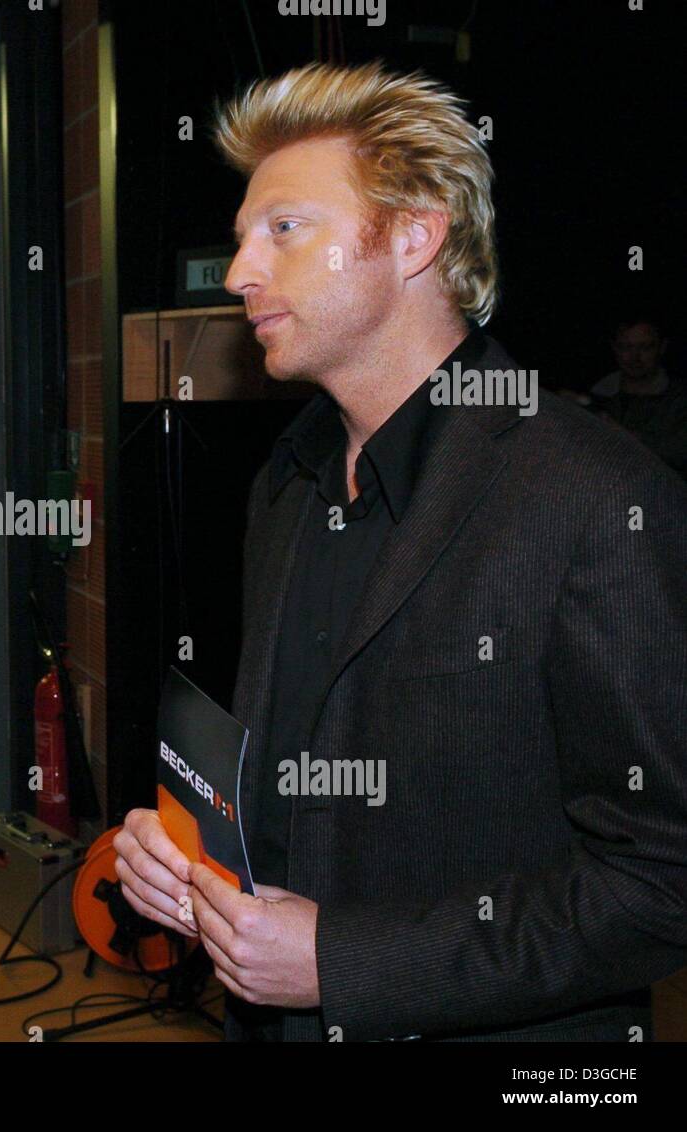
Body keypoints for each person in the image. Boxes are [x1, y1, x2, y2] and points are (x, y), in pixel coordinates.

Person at [113, 62, 687, 1041]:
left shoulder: (595, 495)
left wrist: (343, 961)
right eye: (245, 233)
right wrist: (189, 855)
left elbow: (660, 880)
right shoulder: (284, 485)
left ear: (415, 236)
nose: (241, 268)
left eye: (283, 229)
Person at [587, 317, 687, 479]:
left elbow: (678, 454)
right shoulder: (597, 397)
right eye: (626, 347)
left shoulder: (679, 400)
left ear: (662, 347)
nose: (634, 357)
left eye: (645, 347)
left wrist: (626, 437)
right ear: (614, 348)